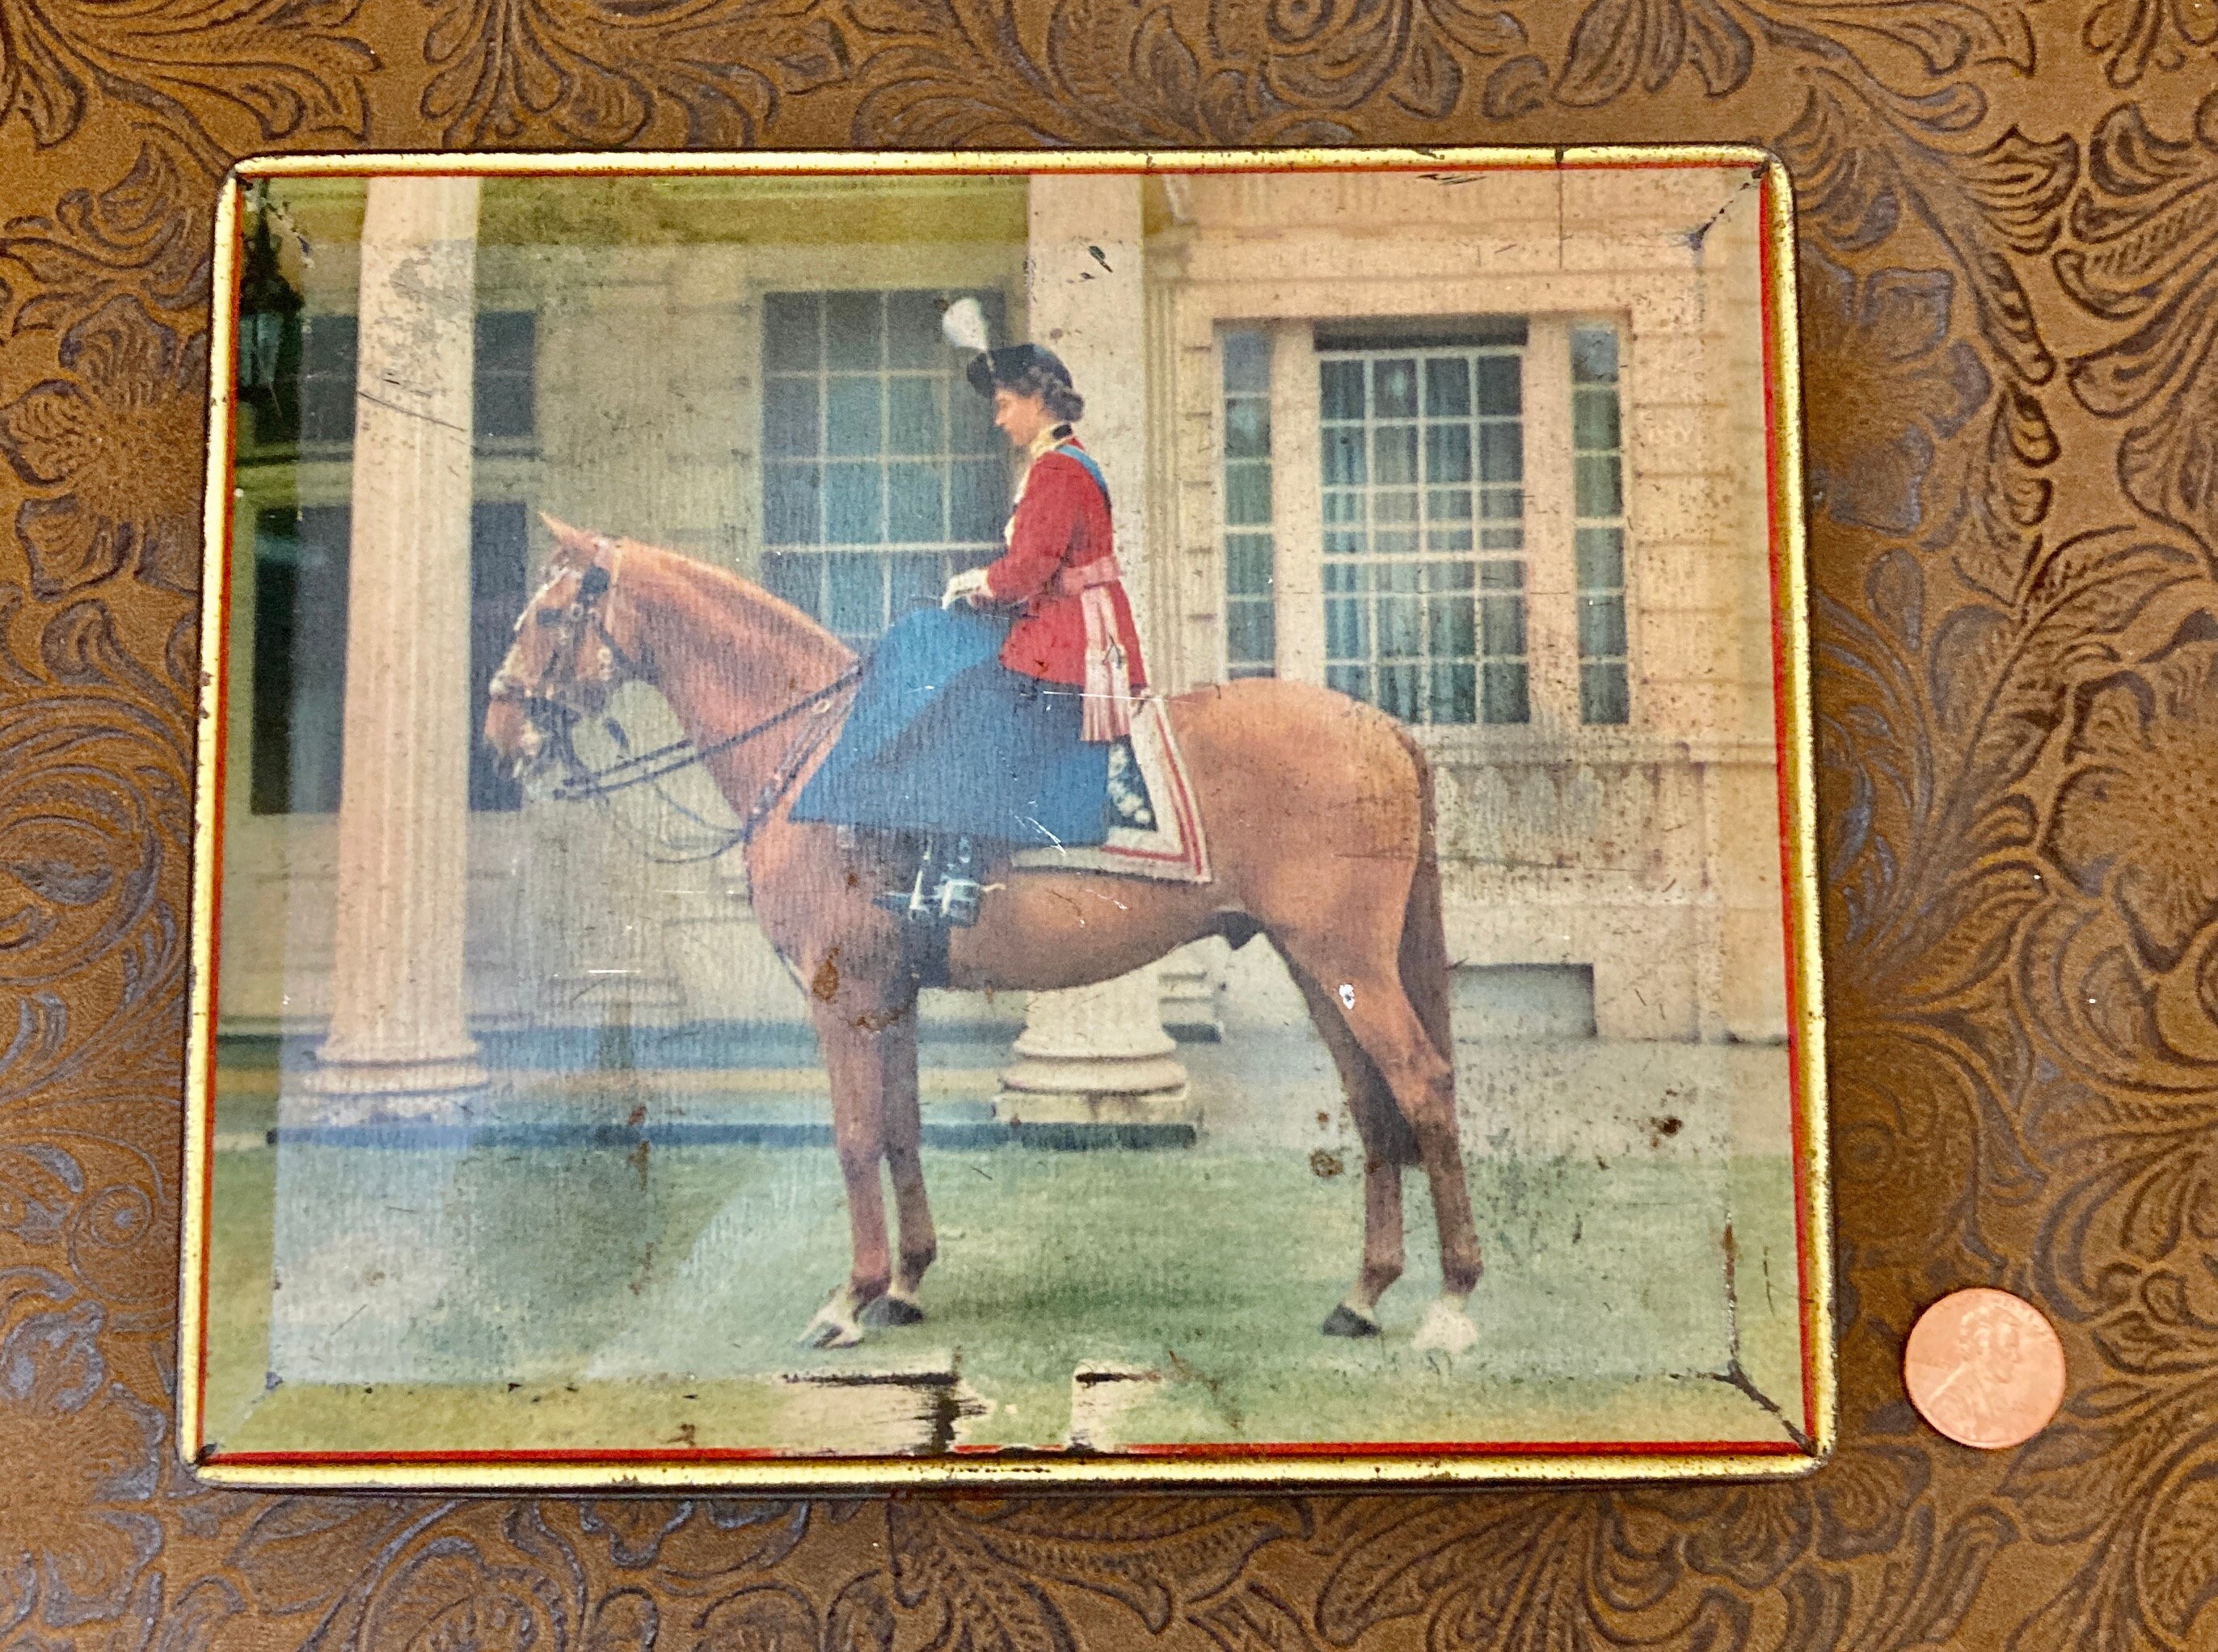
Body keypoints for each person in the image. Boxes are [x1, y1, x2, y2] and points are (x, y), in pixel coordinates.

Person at [788, 340, 1151, 927]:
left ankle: (959, 870)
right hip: (1061, 623)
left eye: (1006, 404)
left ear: (1038, 400)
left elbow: (1032, 568)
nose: (999, 418)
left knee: (971, 705)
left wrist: (980, 583)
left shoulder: (1058, 469)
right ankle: (943, 864)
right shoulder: (1059, 461)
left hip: (1069, 635)